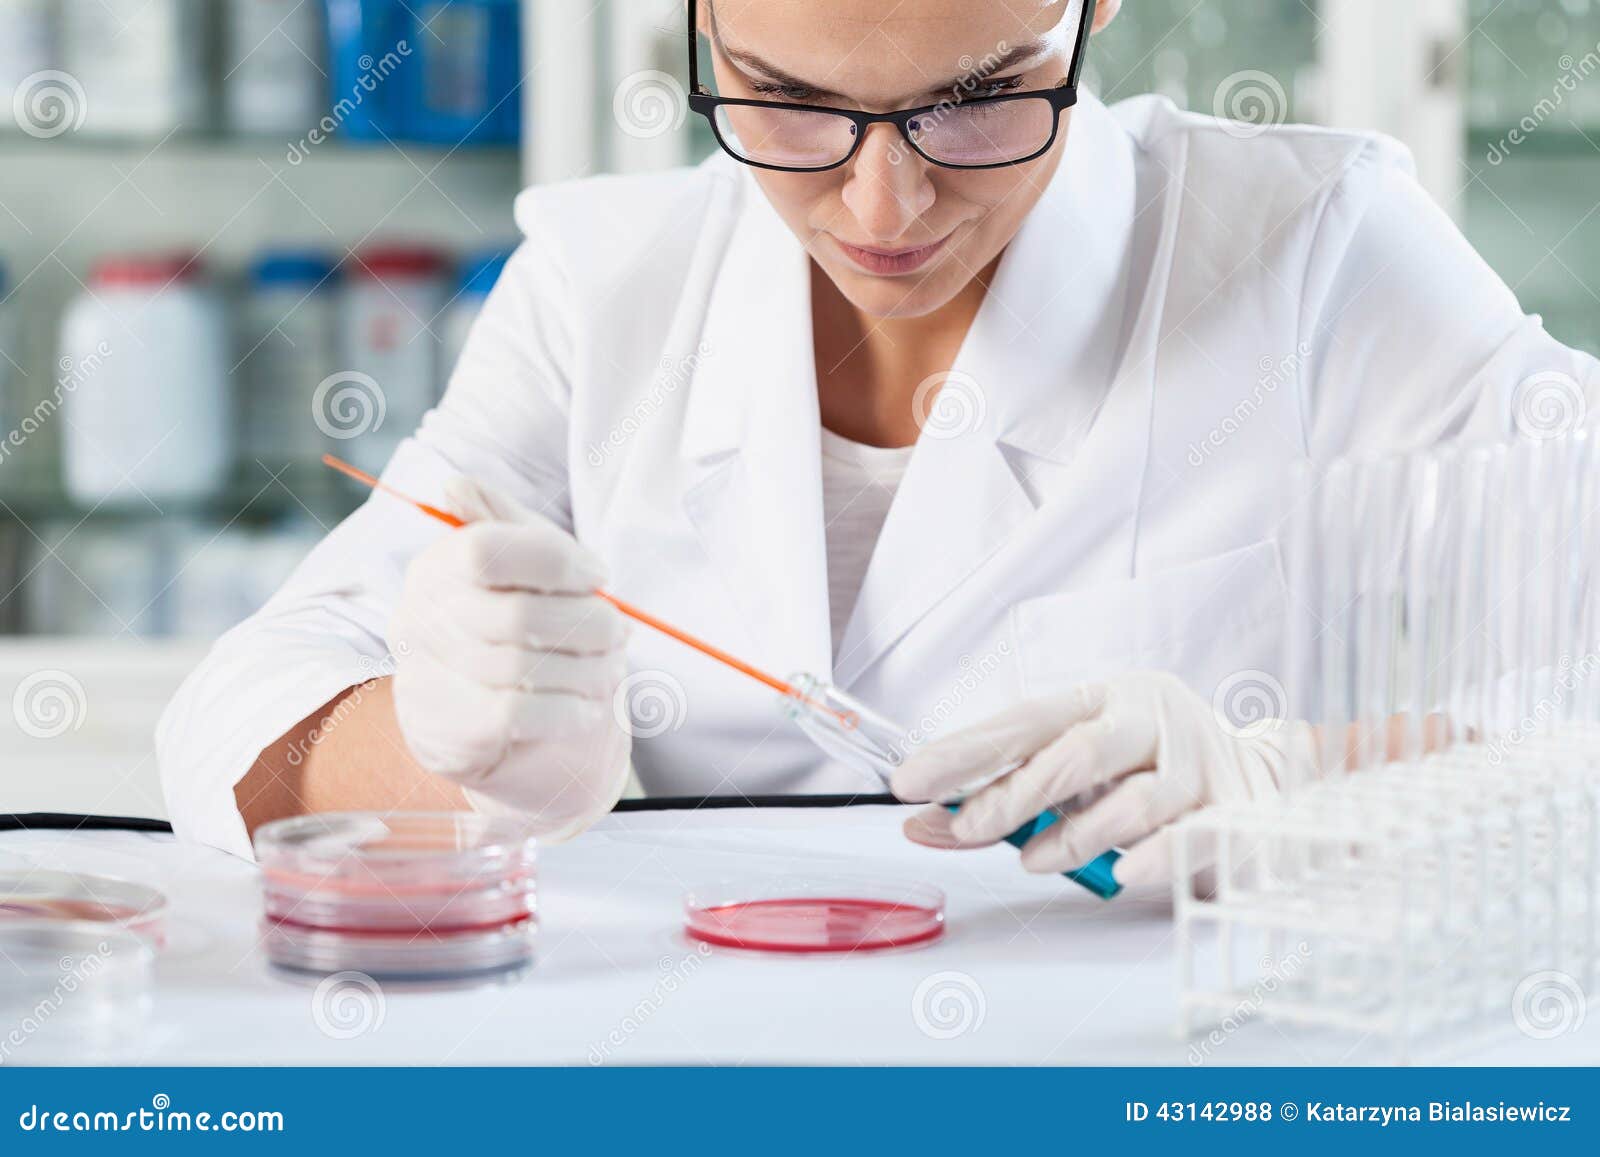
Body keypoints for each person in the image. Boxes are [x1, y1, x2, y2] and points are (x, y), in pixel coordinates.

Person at [159, 0, 1599, 881]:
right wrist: (456, 753)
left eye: (977, 102)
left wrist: (1309, 784)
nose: (882, 210)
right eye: (789, 104)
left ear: (1090, 13)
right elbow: (239, 712)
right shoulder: (607, 286)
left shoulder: (1313, 251)